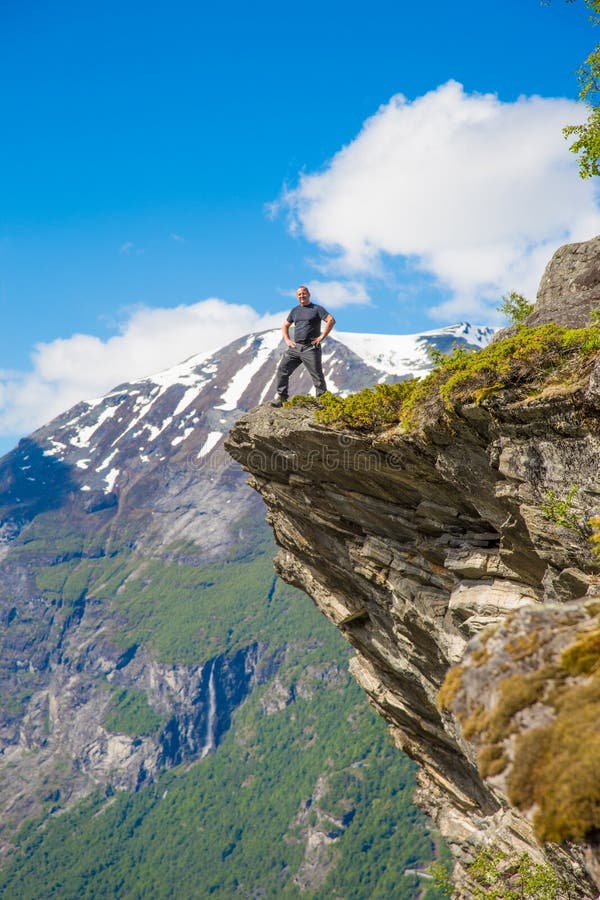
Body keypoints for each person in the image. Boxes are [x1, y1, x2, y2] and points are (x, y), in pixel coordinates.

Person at [271, 285, 336, 407]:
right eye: (299, 294)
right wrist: (288, 340)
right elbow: (285, 325)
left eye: (304, 293)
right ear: (297, 296)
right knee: (282, 370)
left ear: (309, 294)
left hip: (310, 347)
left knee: (317, 374)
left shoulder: (317, 309)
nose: (302, 296)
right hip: (296, 347)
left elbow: (331, 320)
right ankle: (282, 398)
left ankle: (322, 401)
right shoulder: (295, 311)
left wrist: (322, 337)